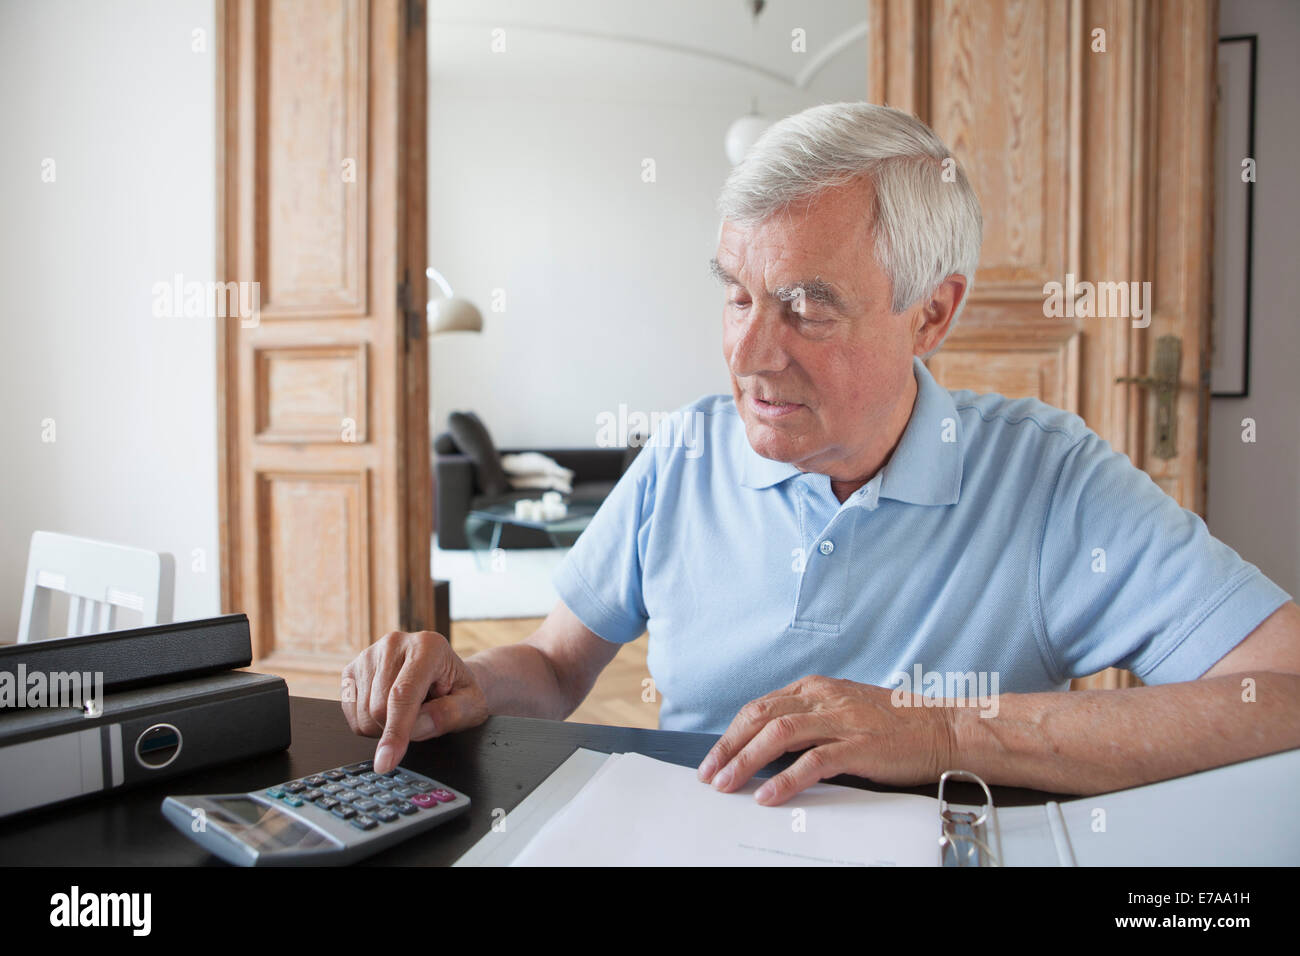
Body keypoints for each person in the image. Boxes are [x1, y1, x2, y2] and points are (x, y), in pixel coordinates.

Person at [342, 102, 1299, 805]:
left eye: (808, 303)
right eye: (738, 293)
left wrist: (943, 730)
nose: (751, 356)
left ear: (933, 314)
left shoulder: (1049, 478)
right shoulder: (684, 454)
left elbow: (1282, 692)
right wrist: (469, 682)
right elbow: (553, 667)